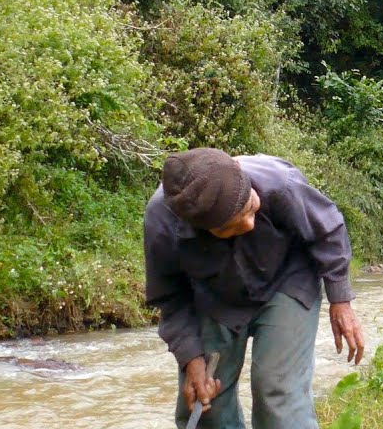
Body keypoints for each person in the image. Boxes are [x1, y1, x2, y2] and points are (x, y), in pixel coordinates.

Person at [144, 148, 365, 428]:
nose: (250, 224)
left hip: (287, 279)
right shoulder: (163, 223)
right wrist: (191, 358)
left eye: (251, 208)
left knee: (277, 394)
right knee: (204, 407)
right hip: (213, 297)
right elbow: (171, 298)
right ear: (204, 229)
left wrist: (341, 300)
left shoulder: (278, 181)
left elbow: (327, 230)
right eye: (233, 226)